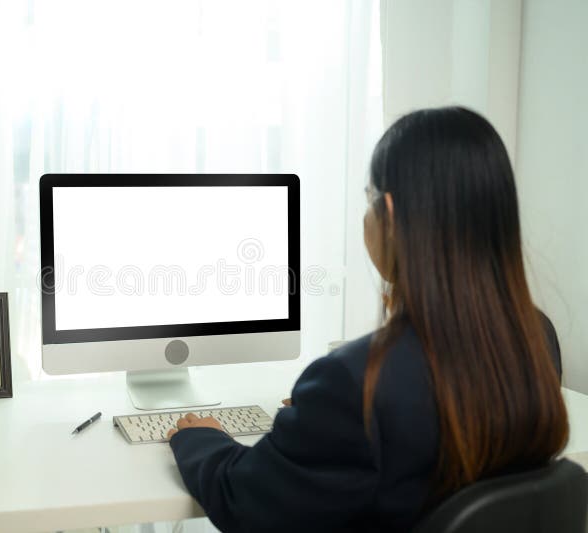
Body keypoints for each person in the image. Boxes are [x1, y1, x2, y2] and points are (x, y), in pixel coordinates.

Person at [166, 107, 569, 533]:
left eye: (368, 197)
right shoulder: (536, 338)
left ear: (389, 214)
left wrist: (199, 436)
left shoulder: (357, 383)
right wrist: (318, 426)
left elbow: (243, 501)